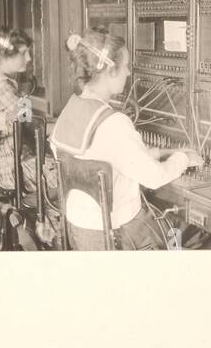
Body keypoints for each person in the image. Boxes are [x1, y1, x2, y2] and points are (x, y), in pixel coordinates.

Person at [51, 29, 201, 250]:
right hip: (120, 234)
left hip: (78, 232)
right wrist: (183, 159)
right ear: (111, 70)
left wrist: (160, 153)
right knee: (200, 238)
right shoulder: (114, 122)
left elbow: (108, 157)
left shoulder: (72, 108)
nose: (129, 72)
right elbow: (154, 177)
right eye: (126, 66)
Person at [0, 29, 61, 244]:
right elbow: (34, 129)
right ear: (4, 55)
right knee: (68, 175)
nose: (29, 58)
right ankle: (53, 235)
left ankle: (46, 226)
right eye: (23, 53)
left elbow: (27, 122)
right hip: (12, 168)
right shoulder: (3, 88)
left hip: (0, 164)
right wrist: (67, 126)